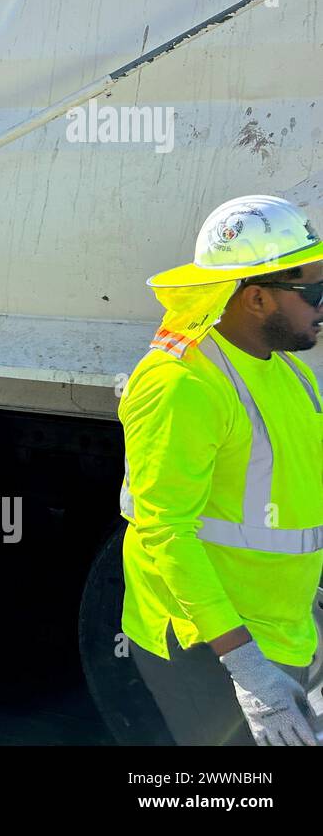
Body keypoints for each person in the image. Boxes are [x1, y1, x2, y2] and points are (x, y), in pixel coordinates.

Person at [118, 194, 323, 745]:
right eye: (314, 292)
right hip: (212, 649)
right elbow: (168, 532)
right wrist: (251, 673)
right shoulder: (182, 385)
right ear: (256, 298)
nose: (322, 306)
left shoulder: (284, 370)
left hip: (281, 633)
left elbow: (298, 491)